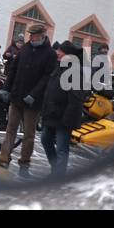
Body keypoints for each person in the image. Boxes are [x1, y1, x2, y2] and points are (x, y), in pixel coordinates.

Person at [0, 22, 55, 178]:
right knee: (10, 130)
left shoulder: (50, 54)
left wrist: (34, 94)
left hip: (33, 102)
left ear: (42, 36)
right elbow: (14, 70)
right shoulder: (25, 48)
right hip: (16, 97)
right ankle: (4, 159)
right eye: (30, 35)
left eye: (34, 35)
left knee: (28, 134)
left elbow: (46, 77)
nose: (31, 37)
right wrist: (6, 88)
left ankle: (24, 163)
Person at [40, 40, 85, 179]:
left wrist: (67, 118)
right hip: (51, 114)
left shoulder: (76, 71)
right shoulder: (59, 66)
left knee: (61, 148)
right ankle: (56, 170)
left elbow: (76, 98)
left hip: (64, 117)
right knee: (45, 140)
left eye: (61, 51)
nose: (57, 53)